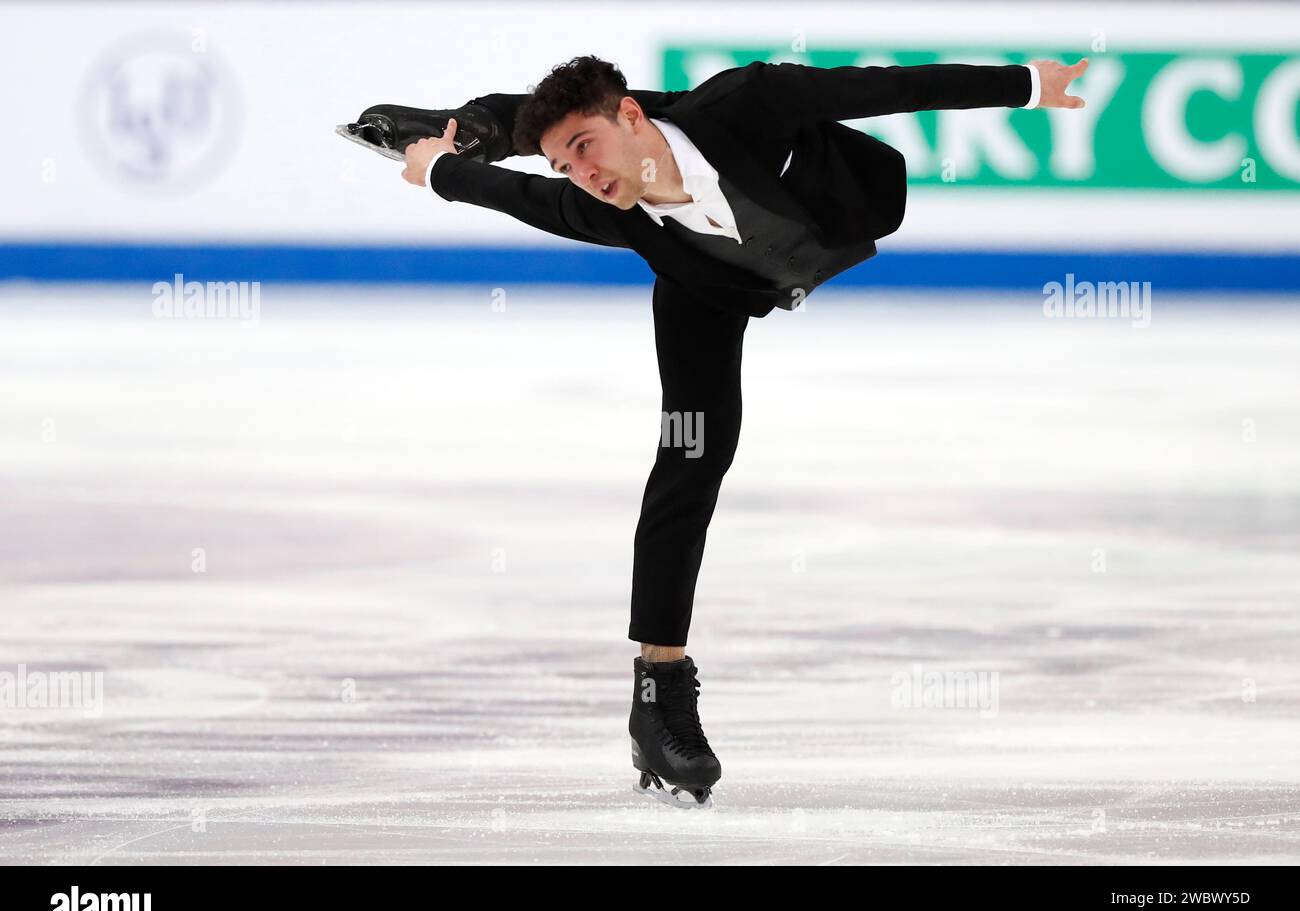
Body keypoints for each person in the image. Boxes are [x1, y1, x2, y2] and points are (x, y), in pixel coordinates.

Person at [349, 53, 1088, 808]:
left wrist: (1027, 85)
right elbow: (515, 194)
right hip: (707, 282)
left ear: (630, 117)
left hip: (823, 206)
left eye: (587, 150)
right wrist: (442, 166)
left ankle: (482, 123)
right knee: (692, 460)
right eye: (564, 164)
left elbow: (890, 87)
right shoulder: (603, 204)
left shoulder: (751, 104)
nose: (583, 174)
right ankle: (658, 694)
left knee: (679, 110)